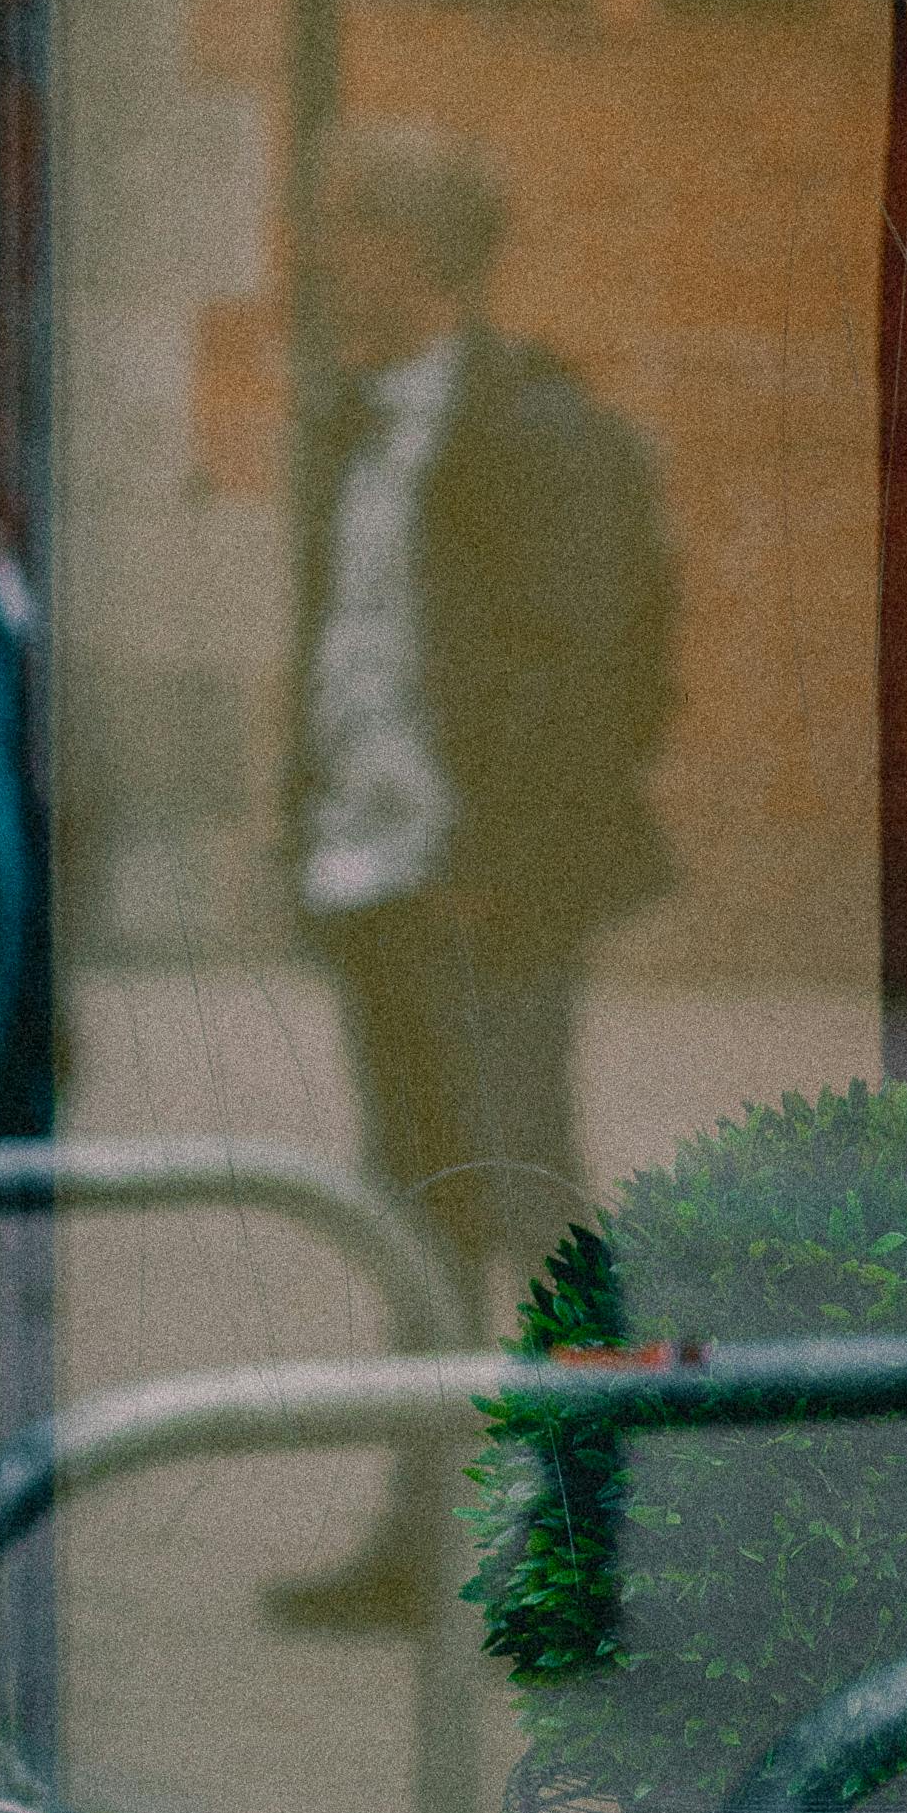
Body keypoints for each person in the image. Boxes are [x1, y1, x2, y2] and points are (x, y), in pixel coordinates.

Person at [272, 128, 676, 1630]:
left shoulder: (540, 434)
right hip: (372, 884)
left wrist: (504, 872)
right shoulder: (360, 426)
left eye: (346, 229)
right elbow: (353, 659)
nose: (321, 260)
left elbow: (606, 673)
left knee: (533, 1206)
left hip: (485, 897)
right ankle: (417, 1546)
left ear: (421, 255)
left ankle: (607, 1546)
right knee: (417, 1216)